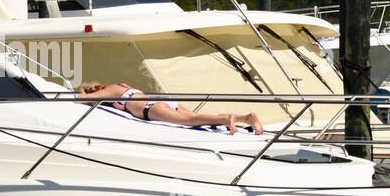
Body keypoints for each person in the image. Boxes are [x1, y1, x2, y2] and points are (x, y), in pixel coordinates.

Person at [78, 83, 263, 136]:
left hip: (149, 108)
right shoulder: (123, 85)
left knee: (187, 121)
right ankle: (246, 118)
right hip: (160, 101)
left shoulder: (112, 90)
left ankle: (226, 119)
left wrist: (82, 95)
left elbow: (81, 99)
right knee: (195, 116)